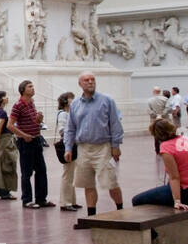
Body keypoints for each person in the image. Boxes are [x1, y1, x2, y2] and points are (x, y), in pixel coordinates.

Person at [63, 72, 124, 218]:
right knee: (87, 184)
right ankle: (91, 216)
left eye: (92, 80)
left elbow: (115, 124)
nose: (90, 82)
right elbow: (70, 128)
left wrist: (115, 146)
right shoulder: (75, 104)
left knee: (111, 182)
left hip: (103, 147)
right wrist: (68, 148)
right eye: (86, 80)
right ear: (80, 84)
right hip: (84, 148)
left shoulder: (107, 100)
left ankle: (121, 211)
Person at [133, 118, 188, 211]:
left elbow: (174, 177)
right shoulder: (186, 140)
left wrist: (177, 201)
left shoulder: (166, 148)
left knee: (137, 200)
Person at [9, 80, 51, 208]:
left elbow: (34, 122)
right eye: (30, 87)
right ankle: (27, 200)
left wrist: (39, 120)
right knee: (26, 172)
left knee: (41, 170)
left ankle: (41, 198)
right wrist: (23, 135)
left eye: (33, 86)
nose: (33, 88)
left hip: (36, 139)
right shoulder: (18, 105)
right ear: (23, 90)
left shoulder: (31, 103)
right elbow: (10, 125)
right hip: (26, 142)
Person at [0, 90, 18, 200]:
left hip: (1, 140)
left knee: (0, 164)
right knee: (8, 164)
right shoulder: (2, 113)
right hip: (5, 140)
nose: (7, 98)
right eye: (5, 96)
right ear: (1, 99)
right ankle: (5, 190)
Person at [54, 92, 78, 211]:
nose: (73, 101)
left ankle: (72, 201)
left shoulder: (70, 113)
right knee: (68, 175)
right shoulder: (63, 114)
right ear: (65, 101)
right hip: (68, 145)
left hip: (73, 144)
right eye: (71, 99)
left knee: (71, 174)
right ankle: (65, 202)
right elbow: (62, 130)